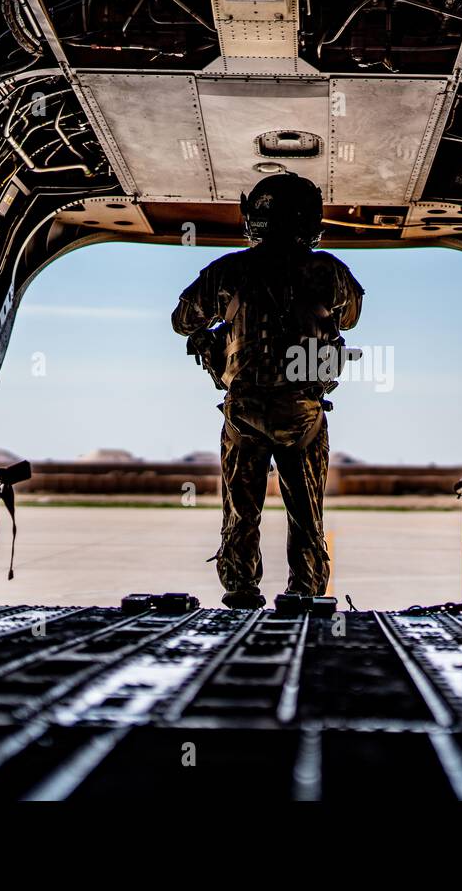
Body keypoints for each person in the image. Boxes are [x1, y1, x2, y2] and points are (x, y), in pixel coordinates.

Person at [172, 173, 364, 609]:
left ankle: (240, 590)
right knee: (307, 515)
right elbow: (349, 318)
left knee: (241, 512)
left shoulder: (228, 271)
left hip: (244, 413)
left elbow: (183, 321)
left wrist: (218, 330)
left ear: (253, 219)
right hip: (304, 414)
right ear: (310, 222)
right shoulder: (329, 271)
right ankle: (307, 593)